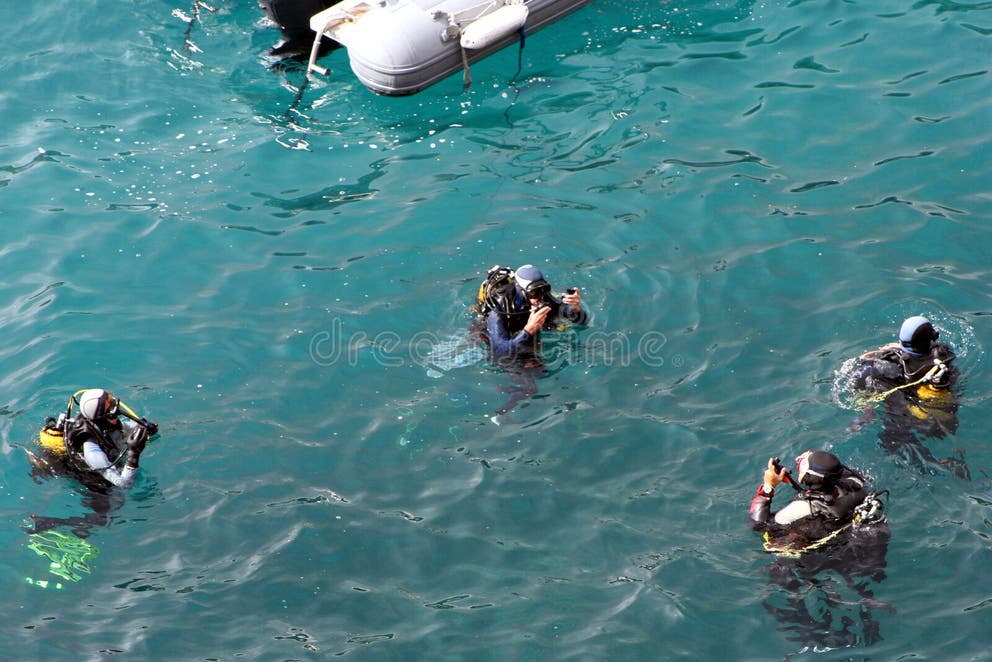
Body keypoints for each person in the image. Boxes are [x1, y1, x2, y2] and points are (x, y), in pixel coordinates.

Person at [749, 450, 892, 650]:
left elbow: (758, 524)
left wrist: (768, 486)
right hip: (851, 544)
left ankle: (808, 633)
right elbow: (832, 472)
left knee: (777, 568)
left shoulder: (798, 509)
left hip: (822, 554)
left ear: (809, 477)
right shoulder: (856, 484)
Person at [846, 316, 966, 478]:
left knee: (893, 443)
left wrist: (867, 409)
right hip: (936, 420)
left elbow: (859, 377)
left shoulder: (887, 364)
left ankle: (925, 470)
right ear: (932, 338)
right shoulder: (943, 360)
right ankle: (949, 465)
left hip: (899, 413)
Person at [26, 389, 158, 535]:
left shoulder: (104, 423)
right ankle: (51, 523)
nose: (118, 410)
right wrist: (134, 454)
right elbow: (124, 484)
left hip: (105, 457)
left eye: (114, 403)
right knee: (106, 516)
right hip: (94, 479)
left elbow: (124, 429)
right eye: (112, 407)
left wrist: (143, 428)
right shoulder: (91, 450)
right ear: (103, 417)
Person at [472, 264, 588, 415]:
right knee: (530, 388)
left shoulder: (542, 298)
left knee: (542, 372)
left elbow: (582, 321)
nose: (539, 297)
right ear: (521, 290)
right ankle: (501, 413)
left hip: (521, 335)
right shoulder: (499, 311)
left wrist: (575, 309)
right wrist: (529, 330)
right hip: (494, 339)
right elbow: (500, 351)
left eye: (543, 290)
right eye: (534, 292)